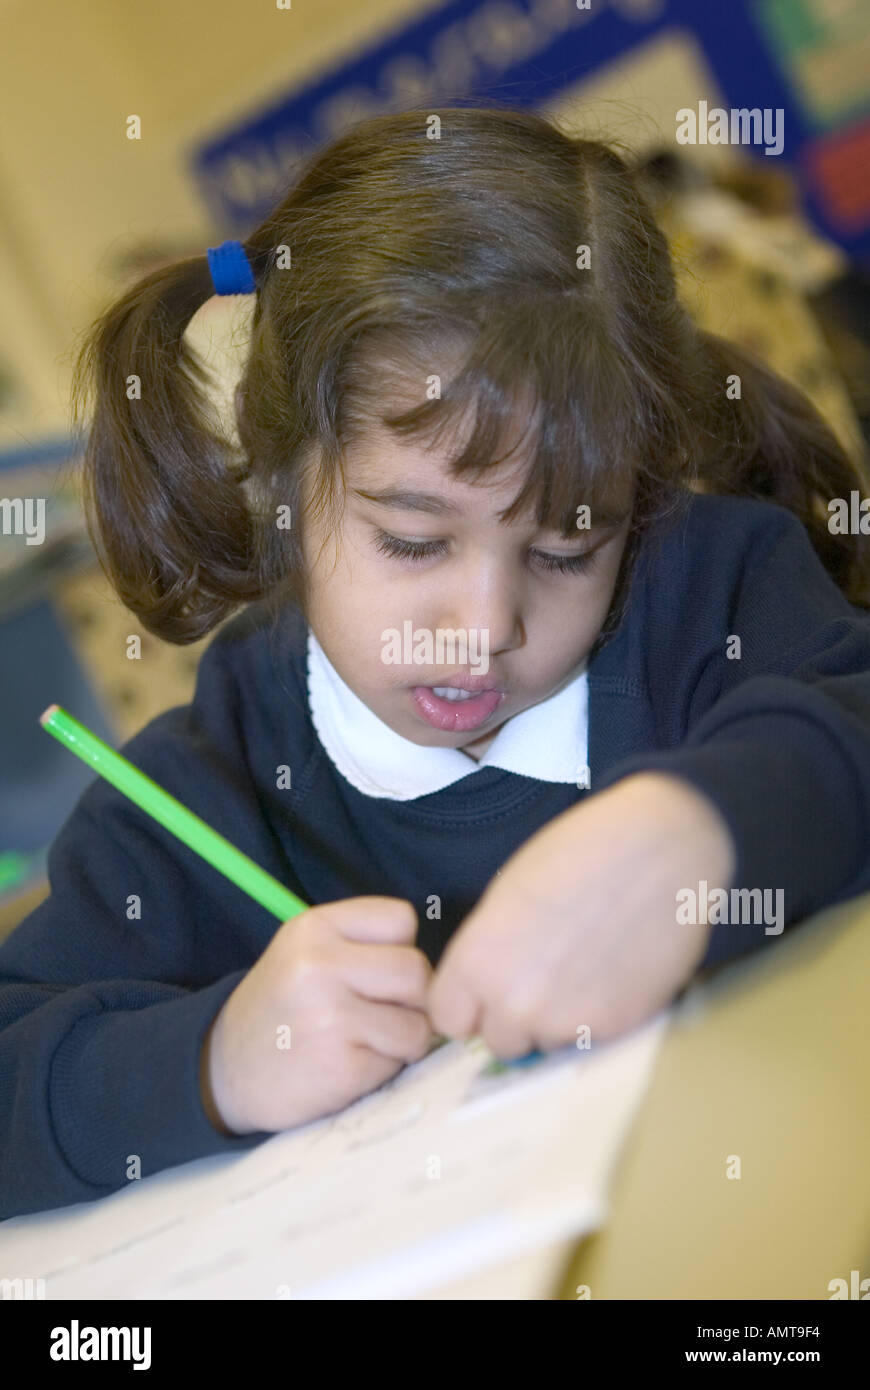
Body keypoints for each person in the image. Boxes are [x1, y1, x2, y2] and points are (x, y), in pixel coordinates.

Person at [2, 105, 869, 1221]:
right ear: (282, 486)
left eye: (565, 550)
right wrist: (215, 1060)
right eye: (412, 541)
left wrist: (703, 827)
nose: (482, 623)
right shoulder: (224, 776)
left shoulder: (705, 595)